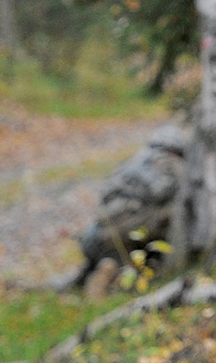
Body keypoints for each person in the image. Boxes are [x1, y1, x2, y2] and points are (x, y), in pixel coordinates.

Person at [63, 124, 195, 296]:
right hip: (135, 225)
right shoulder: (170, 162)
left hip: (103, 227)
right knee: (171, 217)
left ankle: (107, 274)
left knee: (119, 256)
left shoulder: (135, 160)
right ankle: (119, 278)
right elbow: (169, 192)